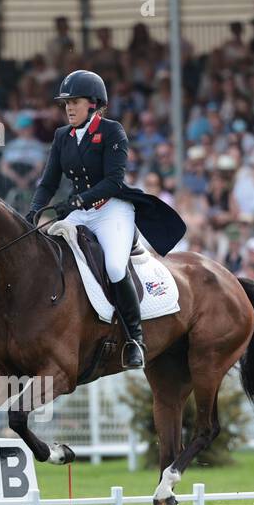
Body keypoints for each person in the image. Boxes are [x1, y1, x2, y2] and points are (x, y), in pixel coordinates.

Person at [24, 70, 185, 369]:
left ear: (94, 103)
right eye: (65, 103)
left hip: (112, 209)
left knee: (113, 265)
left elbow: (113, 180)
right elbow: (47, 182)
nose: (69, 108)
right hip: (80, 211)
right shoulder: (62, 137)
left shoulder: (112, 132)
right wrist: (34, 210)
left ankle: (135, 338)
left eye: (75, 101)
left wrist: (73, 202)